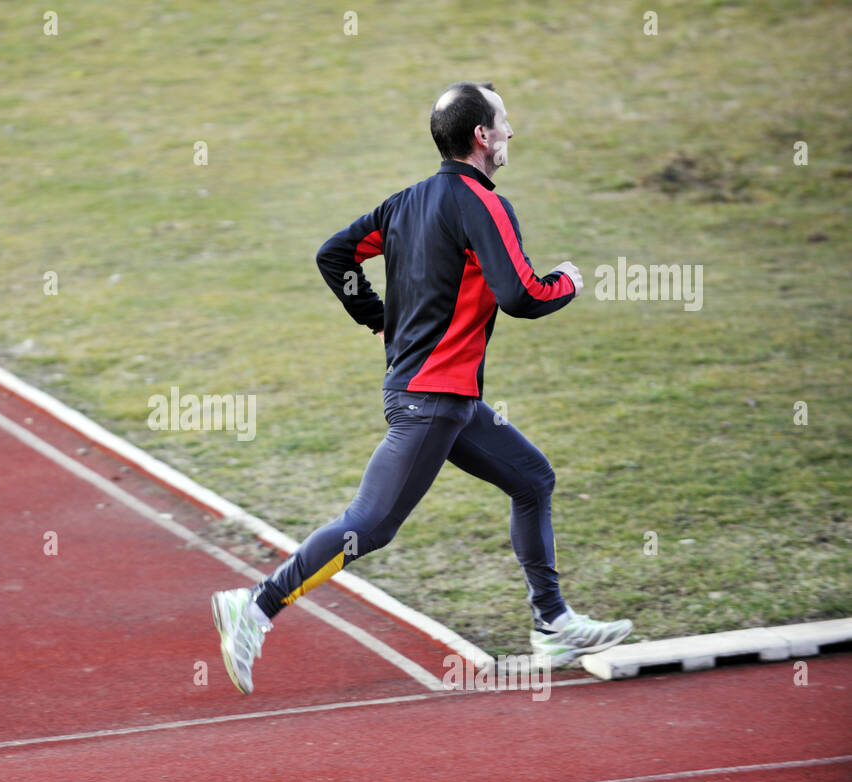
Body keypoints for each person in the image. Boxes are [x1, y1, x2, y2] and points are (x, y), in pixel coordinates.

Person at [211, 81, 632, 695]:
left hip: (446, 400)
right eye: (504, 122)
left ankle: (552, 623)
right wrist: (568, 281)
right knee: (370, 524)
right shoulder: (484, 204)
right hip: (431, 401)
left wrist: (376, 316)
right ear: (481, 137)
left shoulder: (404, 203)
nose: (512, 132)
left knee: (532, 478)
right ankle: (255, 606)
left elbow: (335, 256)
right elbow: (521, 296)